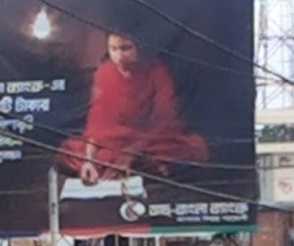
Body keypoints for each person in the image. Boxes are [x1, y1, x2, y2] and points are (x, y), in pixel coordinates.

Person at [58, 32, 209, 184]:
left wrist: (131, 153)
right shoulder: (104, 73)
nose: (119, 56)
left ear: (139, 47)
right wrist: (89, 160)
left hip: (148, 143)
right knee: (69, 152)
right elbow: (96, 124)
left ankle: (129, 166)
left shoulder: (156, 71)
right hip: (111, 144)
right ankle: (133, 168)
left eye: (126, 48)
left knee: (193, 147)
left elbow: (164, 120)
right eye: (113, 49)